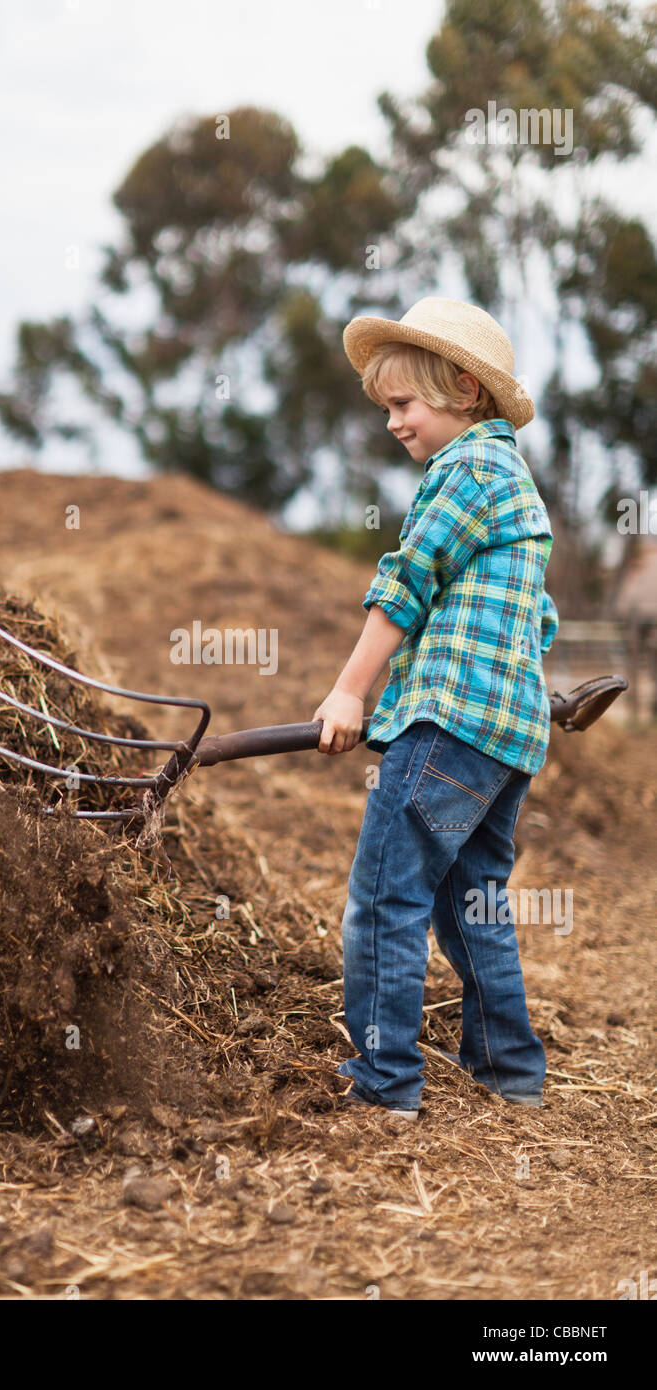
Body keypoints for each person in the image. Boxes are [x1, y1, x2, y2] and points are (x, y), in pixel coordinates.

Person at [313, 297, 558, 1122]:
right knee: (471, 903)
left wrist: (352, 691)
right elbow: (540, 618)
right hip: (504, 743)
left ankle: (384, 1082)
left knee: (387, 896)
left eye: (404, 405)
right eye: (386, 408)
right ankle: (509, 1067)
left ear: (464, 390)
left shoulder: (464, 472)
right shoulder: (518, 488)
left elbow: (407, 581)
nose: (393, 423)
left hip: (447, 726)